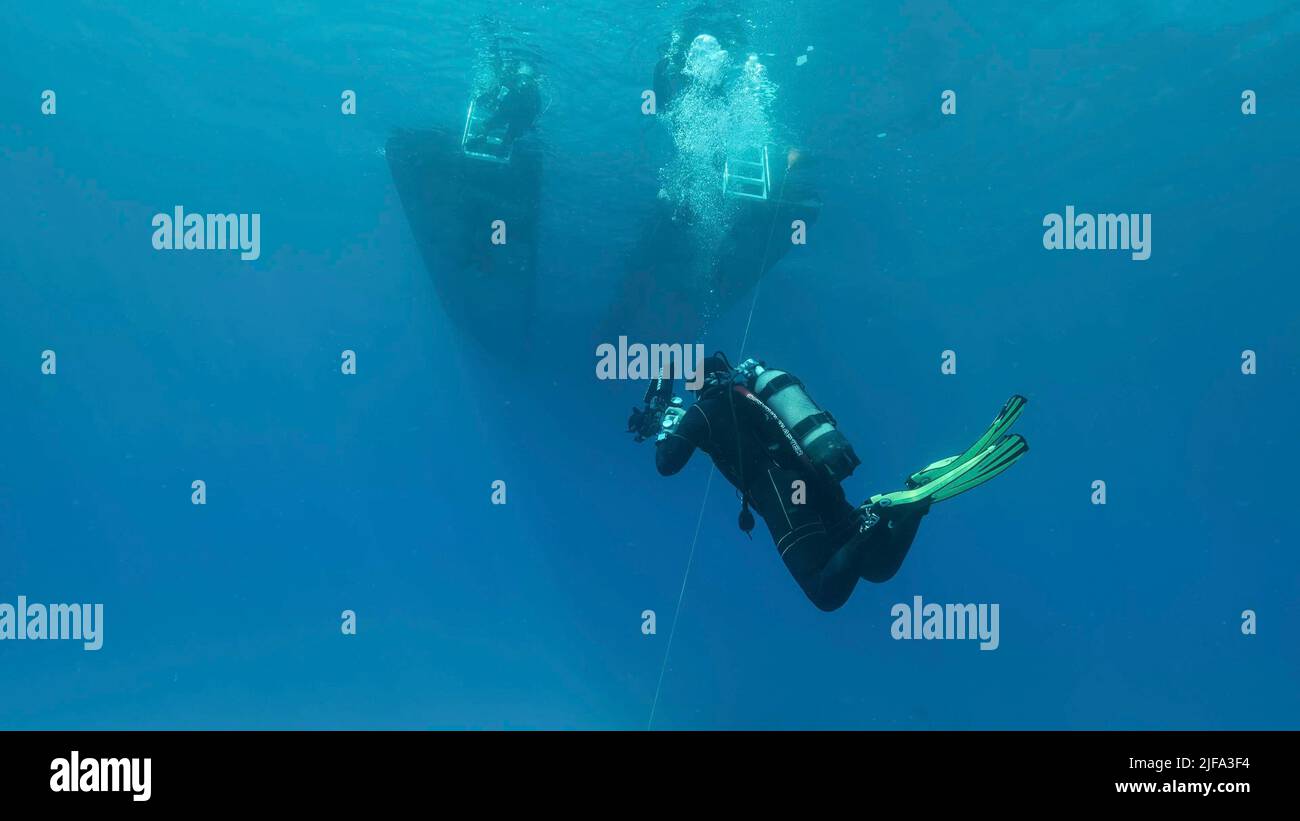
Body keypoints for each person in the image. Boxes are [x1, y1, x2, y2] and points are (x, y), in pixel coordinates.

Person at [629, 354, 1028, 612]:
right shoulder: (755, 396)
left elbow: (668, 464)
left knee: (826, 591)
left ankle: (882, 514)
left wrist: (667, 418)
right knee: (875, 567)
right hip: (817, 480)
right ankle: (909, 506)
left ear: (698, 385)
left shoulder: (704, 410)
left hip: (784, 496)